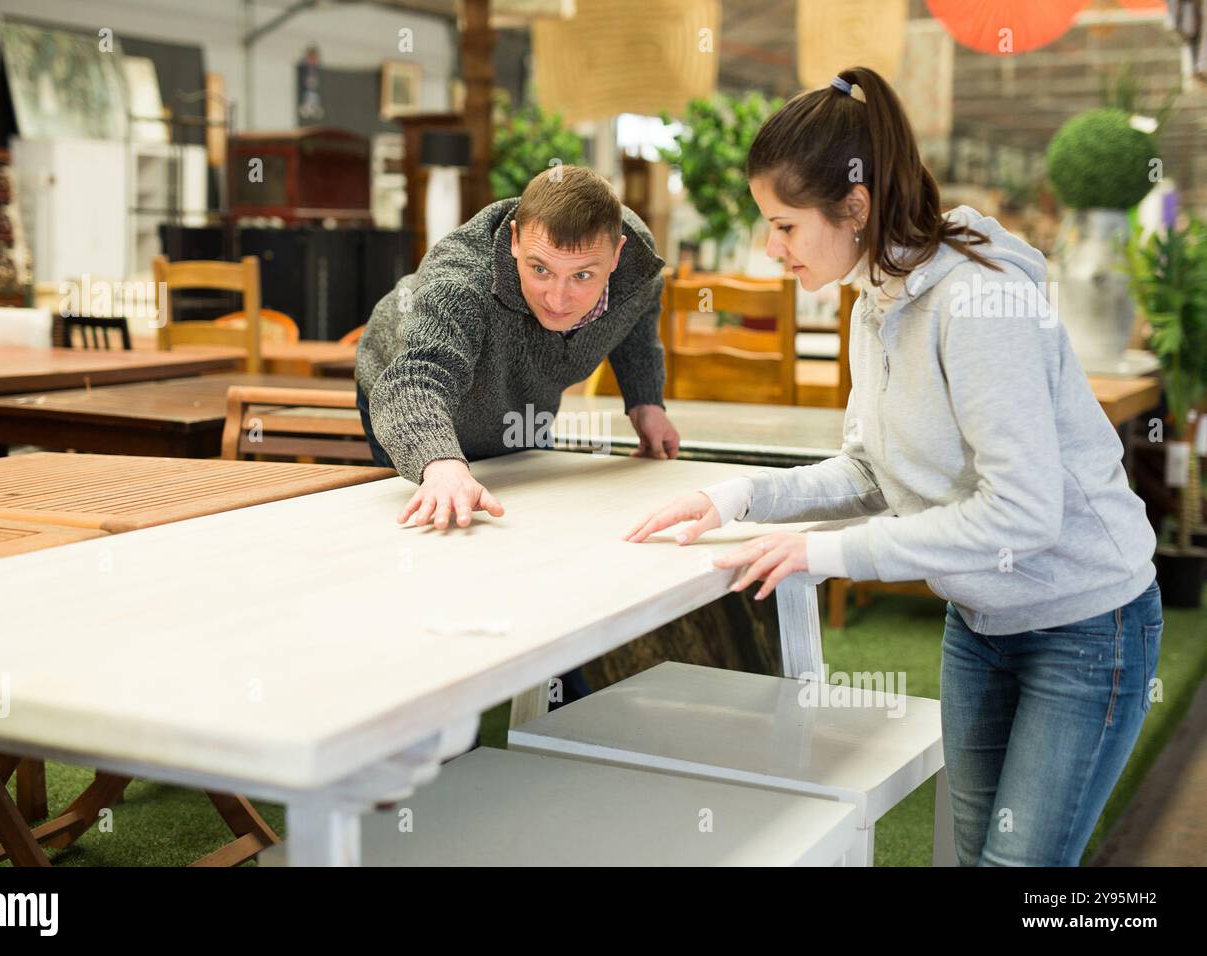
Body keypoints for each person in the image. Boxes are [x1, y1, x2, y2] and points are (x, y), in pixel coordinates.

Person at [625, 66, 1163, 867]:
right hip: (979, 620)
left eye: (783, 226)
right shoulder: (875, 300)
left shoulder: (978, 306)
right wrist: (736, 497)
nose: (772, 251)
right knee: (973, 853)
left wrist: (825, 554)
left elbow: (1022, 513)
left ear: (855, 206)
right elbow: (869, 471)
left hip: (1085, 624)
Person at [356, 164, 681, 532]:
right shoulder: (460, 283)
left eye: (582, 276)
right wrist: (440, 462)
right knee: (440, 526)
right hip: (410, 407)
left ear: (617, 256)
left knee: (529, 526)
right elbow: (413, 382)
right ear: (515, 239)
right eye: (540, 269)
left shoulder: (637, 264)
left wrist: (645, 403)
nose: (558, 298)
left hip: (522, 409)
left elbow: (639, 310)